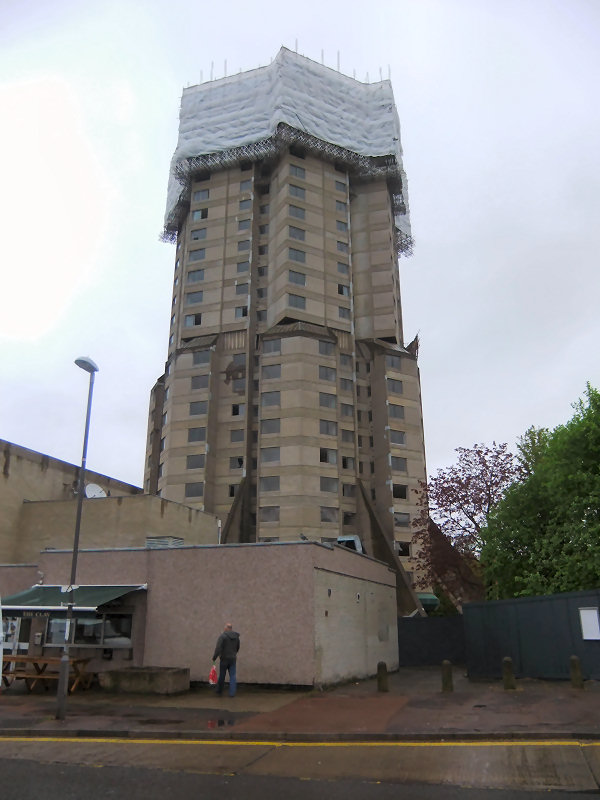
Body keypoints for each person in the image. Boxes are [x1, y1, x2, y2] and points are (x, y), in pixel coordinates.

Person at [212, 622, 240, 697]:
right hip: (233, 659)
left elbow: (218, 648)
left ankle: (219, 690)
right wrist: (234, 654)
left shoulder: (223, 636)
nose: (224, 629)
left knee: (222, 675)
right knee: (233, 676)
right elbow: (237, 647)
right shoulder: (236, 637)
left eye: (225, 628)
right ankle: (232, 693)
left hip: (224, 658)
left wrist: (214, 657)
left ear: (227, 628)